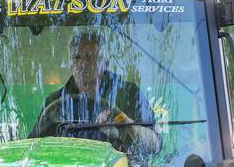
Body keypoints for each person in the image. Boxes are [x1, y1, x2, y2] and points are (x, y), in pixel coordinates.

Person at [32, 28, 160, 152]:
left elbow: (155, 145)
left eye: (89, 57)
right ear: (70, 64)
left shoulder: (128, 94)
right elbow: (34, 144)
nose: (82, 64)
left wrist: (126, 123)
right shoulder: (55, 101)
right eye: (77, 58)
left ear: (105, 63)